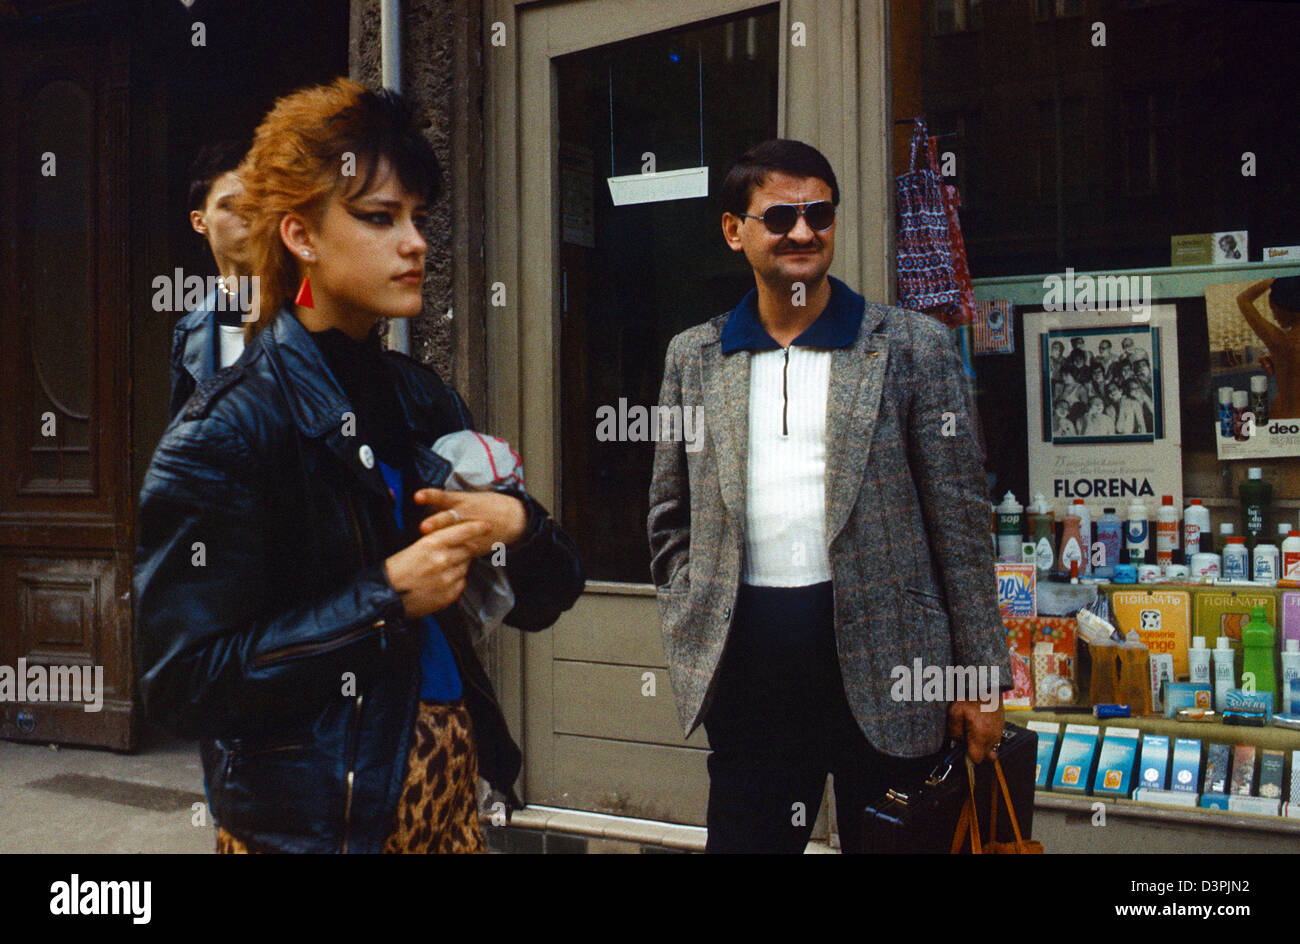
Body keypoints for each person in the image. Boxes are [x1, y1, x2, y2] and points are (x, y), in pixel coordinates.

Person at [135, 79, 584, 854]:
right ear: (301, 236)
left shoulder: (420, 398)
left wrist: (519, 525)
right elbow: (182, 684)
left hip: (448, 804)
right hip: (312, 827)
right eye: (379, 218)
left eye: (417, 218)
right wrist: (384, 599)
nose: (415, 243)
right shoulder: (228, 430)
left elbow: (544, 599)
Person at [647, 139, 1009, 854]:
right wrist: (693, 606)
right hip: (750, 677)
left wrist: (981, 679)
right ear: (735, 231)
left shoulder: (910, 346)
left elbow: (962, 527)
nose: (803, 232)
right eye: (780, 217)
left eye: (819, 213)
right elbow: (669, 516)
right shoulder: (694, 357)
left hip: (894, 670)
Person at [171, 141, 253, 419]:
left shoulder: (308, 311)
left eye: (256, 202)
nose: (247, 215)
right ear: (199, 221)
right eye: (229, 205)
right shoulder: (191, 331)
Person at [1238, 276, 1300, 419]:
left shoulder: (1283, 342)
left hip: (1288, 419)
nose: (1274, 316)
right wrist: (1278, 361)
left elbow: (1243, 300)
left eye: (1274, 309)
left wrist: (1272, 278)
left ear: (1286, 309)